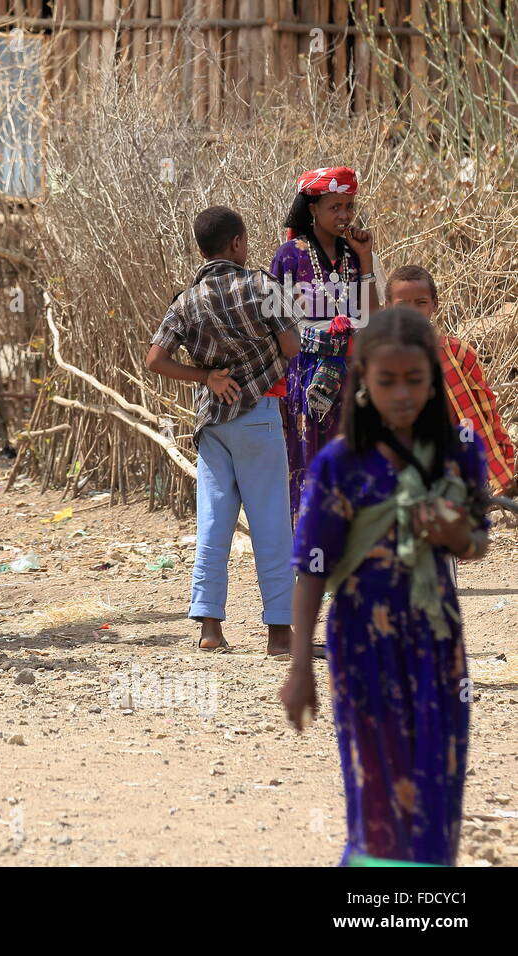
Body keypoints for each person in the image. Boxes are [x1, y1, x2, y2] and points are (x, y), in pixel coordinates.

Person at [280, 306, 489, 866]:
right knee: (375, 779)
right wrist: (301, 665)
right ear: (364, 381)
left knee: (439, 775)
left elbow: (477, 543)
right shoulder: (339, 464)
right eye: (387, 381)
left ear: (433, 380)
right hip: (361, 646)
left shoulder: (460, 449)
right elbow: (312, 568)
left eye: (415, 381)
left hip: (437, 640)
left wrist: (454, 532)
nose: (402, 394)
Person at [146, 206, 300, 655]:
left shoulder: (186, 300)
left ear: (201, 249)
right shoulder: (261, 286)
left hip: (213, 422)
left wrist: (207, 377)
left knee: (213, 526)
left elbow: (155, 359)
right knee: (271, 524)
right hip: (260, 415)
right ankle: (279, 634)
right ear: (237, 244)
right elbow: (291, 344)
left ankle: (210, 630)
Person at [270, 167, 380, 520]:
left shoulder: (357, 253)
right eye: (335, 207)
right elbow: (274, 322)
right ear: (313, 208)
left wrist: (364, 259)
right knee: (309, 463)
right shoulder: (289, 255)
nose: (345, 215)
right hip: (305, 379)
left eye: (349, 206)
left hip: (353, 378)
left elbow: (372, 317)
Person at [386, 264, 516, 497]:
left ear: (435, 305)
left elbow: (488, 413)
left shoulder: (458, 354)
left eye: (421, 303)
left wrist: (504, 469)